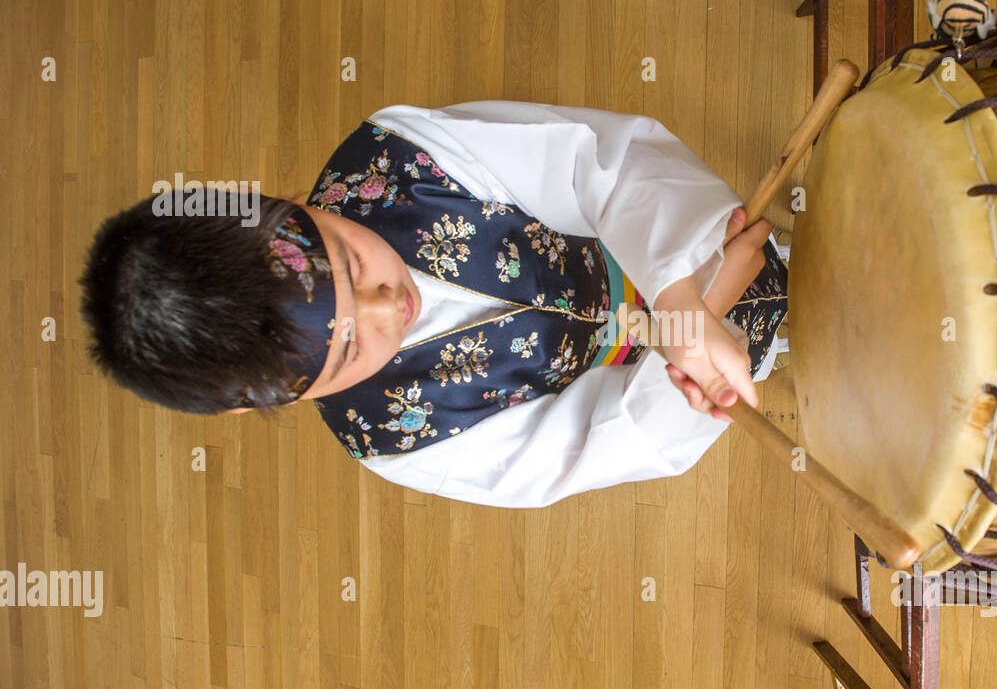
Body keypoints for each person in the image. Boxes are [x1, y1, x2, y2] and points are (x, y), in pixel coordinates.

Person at [78, 102, 789, 507]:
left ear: (290, 202)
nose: (393, 308)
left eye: (353, 260)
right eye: (351, 348)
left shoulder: (403, 160)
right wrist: (710, 311)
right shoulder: (395, 436)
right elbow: (596, 443)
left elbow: (594, 165)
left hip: (696, 239)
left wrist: (683, 296)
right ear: (263, 404)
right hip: (701, 370)